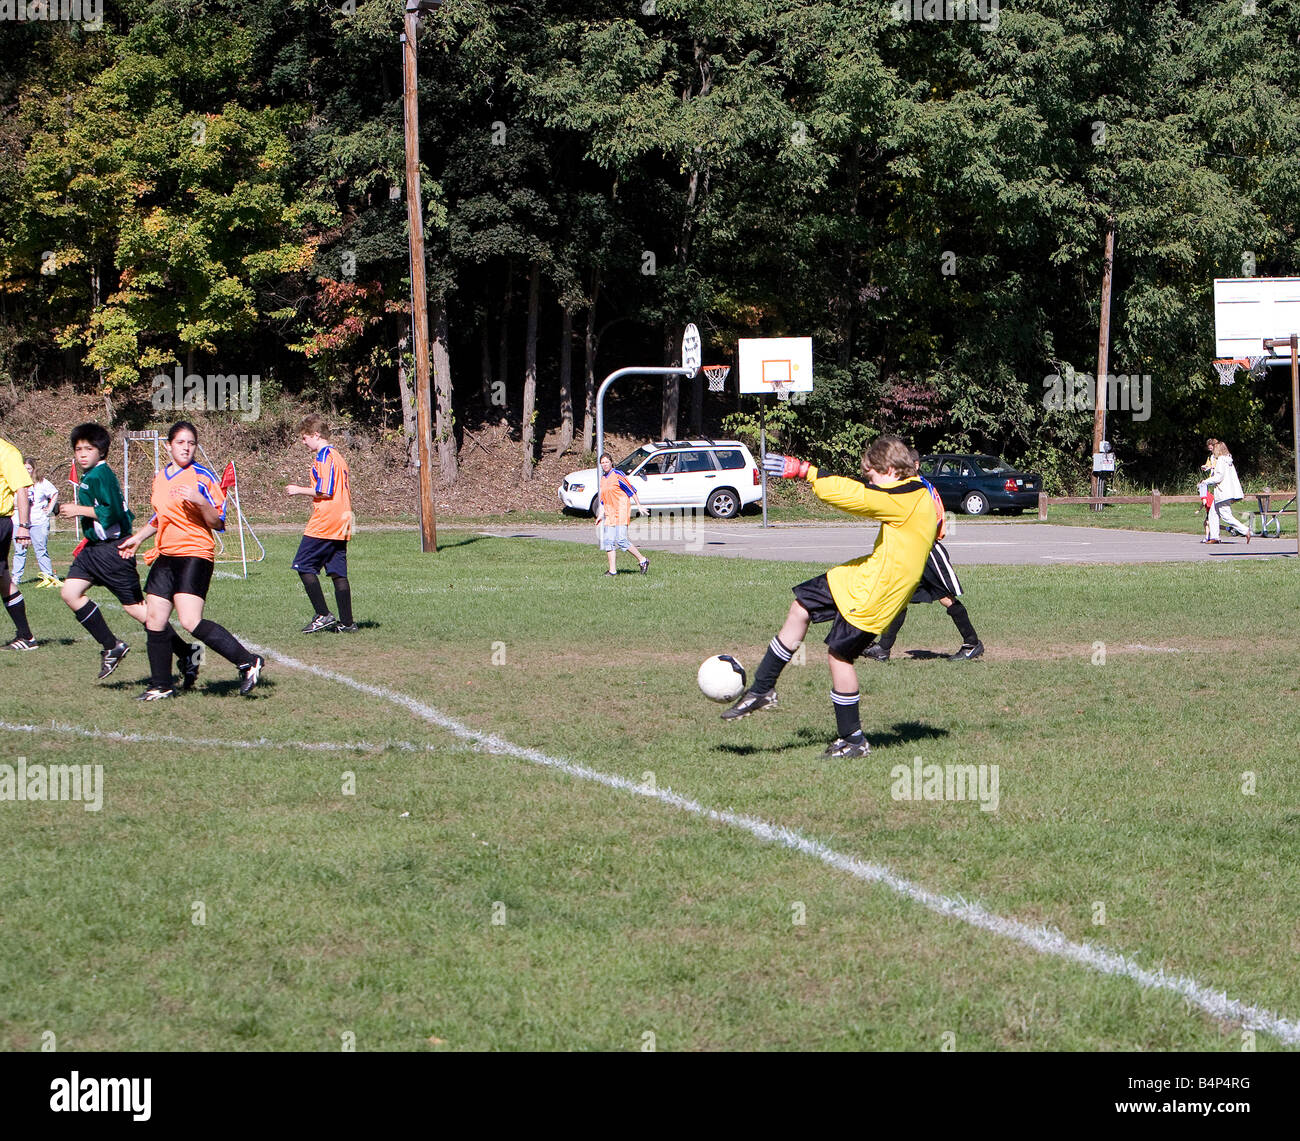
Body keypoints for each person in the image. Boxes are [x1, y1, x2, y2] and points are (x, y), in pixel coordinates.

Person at [722, 435, 938, 758]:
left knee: (839, 656)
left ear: (891, 470)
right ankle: (763, 688)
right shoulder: (916, 487)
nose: (871, 481)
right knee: (802, 605)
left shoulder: (902, 499)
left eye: (873, 475)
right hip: (862, 577)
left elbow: (856, 496)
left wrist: (806, 471)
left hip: (876, 593)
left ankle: (853, 740)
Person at [118, 421, 264, 700]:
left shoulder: (202, 476)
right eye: (180, 442)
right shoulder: (160, 477)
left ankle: (248, 662)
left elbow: (218, 523)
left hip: (194, 554)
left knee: (189, 620)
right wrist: (138, 538)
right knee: (154, 619)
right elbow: (160, 516)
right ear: (168, 445)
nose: (186, 447)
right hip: (166, 554)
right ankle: (161, 685)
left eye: (191, 443)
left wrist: (200, 500)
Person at [58, 423, 201, 682]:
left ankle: (186, 651)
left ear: (101, 452)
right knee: (70, 592)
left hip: (114, 551)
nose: (82, 454)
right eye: (78, 449)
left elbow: (112, 513)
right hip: (94, 551)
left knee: (140, 611)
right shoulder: (90, 476)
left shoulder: (101, 475)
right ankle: (112, 645)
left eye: (88, 449)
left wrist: (79, 510)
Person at [864, 449, 983, 662]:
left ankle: (972, 643)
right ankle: (883, 648)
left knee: (946, 598)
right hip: (912, 552)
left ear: (916, 465)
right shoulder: (909, 487)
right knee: (899, 598)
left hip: (927, 550)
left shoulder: (921, 487)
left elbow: (936, 517)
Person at [286, 415, 357, 633]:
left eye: (305, 437)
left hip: (327, 520)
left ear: (316, 435)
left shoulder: (324, 457)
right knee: (337, 572)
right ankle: (347, 623)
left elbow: (324, 490)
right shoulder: (338, 456)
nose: (303, 442)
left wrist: (298, 490)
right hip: (344, 519)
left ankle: (323, 614)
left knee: (303, 565)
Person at [0, 434, 37, 650]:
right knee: (4, 581)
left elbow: (21, 490)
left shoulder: (7, 452)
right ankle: (26, 636)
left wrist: (24, 525)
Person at [595, 452, 650, 576]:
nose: (604, 464)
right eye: (602, 463)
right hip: (609, 513)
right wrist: (600, 515)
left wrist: (639, 506)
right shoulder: (603, 479)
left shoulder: (618, 474)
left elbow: (631, 490)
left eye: (606, 462)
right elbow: (603, 500)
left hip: (621, 511)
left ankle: (643, 560)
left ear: (611, 462)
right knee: (608, 541)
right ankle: (612, 571)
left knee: (621, 540)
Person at [12, 459, 60, 587]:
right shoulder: (16, 483)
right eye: (24, 468)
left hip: (38, 521)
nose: (26, 471)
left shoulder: (42, 482)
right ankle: (16, 577)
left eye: (29, 468)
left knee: (41, 549)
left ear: (34, 469)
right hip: (19, 521)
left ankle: (48, 576)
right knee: (20, 550)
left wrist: (49, 508)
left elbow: (54, 493)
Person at [1201, 440, 1250, 544]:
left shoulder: (1221, 461)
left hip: (1223, 493)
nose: (1213, 450)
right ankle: (1215, 537)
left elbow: (1218, 477)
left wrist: (1205, 481)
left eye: (1214, 448)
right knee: (1213, 514)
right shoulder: (1228, 460)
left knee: (1226, 516)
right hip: (1223, 492)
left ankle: (1245, 530)